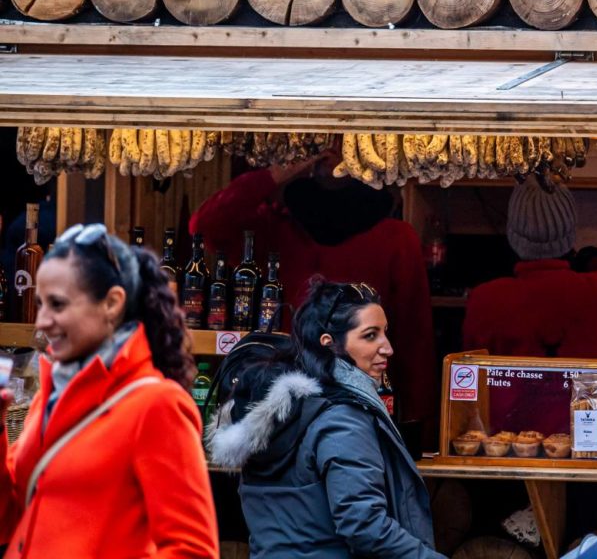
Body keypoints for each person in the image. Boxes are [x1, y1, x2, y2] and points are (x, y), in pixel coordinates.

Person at [0, 223, 218, 557]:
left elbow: (193, 550)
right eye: (41, 304)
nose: (41, 321)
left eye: (57, 305)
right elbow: (10, 517)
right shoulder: (50, 395)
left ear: (112, 303)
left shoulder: (157, 405)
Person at [191, 152, 436, 425]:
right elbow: (203, 227)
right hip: (279, 399)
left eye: (341, 142)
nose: (331, 151)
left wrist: (415, 426)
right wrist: (275, 174)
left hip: (362, 404)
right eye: (323, 142)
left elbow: (414, 340)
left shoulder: (396, 238)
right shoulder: (275, 227)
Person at [209, 279, 445, 559]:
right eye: (370, 335)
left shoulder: (289, 410)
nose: (388, 348)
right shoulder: (343, 419)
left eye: (385, 332)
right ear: (329, 344)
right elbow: (364, 525)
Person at [462, 179, 597, 358]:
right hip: (588, 394)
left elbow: (471, 373)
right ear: (570, 234)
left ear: (513, 235)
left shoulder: (485, 300)